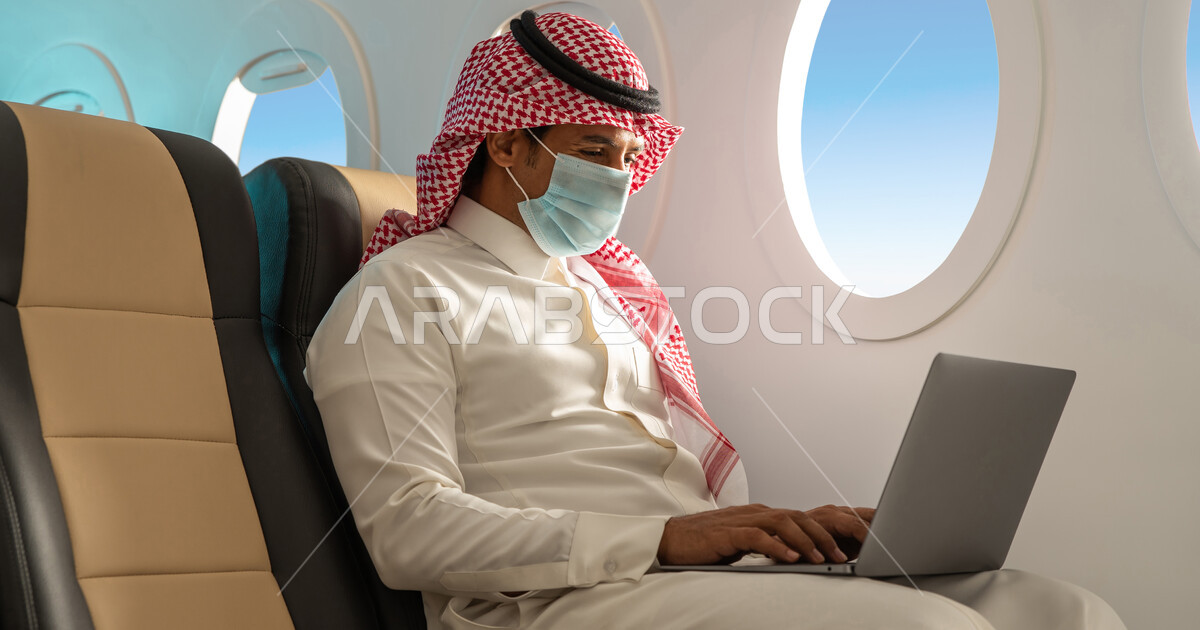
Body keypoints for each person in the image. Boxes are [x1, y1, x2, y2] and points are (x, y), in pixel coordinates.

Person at [306, 11, 1126, 629]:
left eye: (631, 160)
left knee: (1061, 610)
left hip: (682, 571)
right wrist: (664, 539)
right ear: (506, 146)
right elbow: (407, 531)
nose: (621, 184)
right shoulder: (399, 295)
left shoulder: (609, 290)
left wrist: (780, 530)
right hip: (554, 601)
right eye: (595, 152)